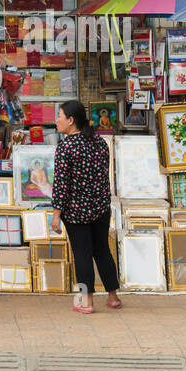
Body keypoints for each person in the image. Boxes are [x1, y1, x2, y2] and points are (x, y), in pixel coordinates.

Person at [51, 99, 121, 314]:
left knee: (81, 254)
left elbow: (61, 185)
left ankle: (86, 300)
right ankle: (113, 297)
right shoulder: (100, 143)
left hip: (76, 212)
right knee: (102, 251)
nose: (57, 121)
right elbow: (103, 177)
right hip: (100, 207)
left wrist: (56, 215)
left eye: (60, 117)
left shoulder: (66, 147)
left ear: (71, 121)